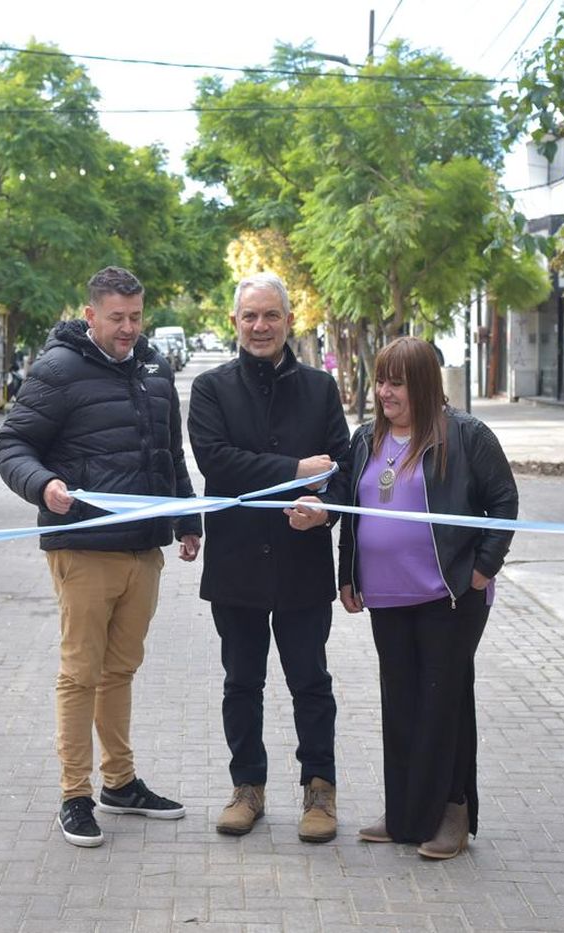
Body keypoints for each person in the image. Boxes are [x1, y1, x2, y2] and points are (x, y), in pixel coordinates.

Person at [0, 266, 202, 848]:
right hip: (82, 546)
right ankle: (75, 795)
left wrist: (188, 520)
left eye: (136, 317)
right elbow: (10, 445)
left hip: (144, 549)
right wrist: (43, 486)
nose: (129, 328)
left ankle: (121, 783)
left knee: (120, 669)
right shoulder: (58, 370)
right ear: (91, 316)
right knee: (80, 674)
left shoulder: (155, 370)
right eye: (117, 318)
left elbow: (169, 453)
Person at [337, 335, 519, 859]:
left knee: (444, 703)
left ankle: (453, 812)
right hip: (388, 598)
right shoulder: (366, 437)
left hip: (449, 598)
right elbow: (353, 508)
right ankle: (406, 815)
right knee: (402, 706)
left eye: (396, 382)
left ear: (422, 384)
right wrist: (347, 573)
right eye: (380, 380)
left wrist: (482, 570)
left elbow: (503, 502)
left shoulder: (465, 435)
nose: (385, 392)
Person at [187, 272, 352, 842]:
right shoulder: (210, 389)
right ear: (234, 322)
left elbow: (341, 469)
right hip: (236, 564)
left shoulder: (320, 389)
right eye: (250, 316)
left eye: (271, 316)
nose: (261, 326)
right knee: (242, 683)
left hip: (303, 559)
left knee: (311, 682)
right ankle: (247, 787)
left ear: (288, 321)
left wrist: (324, 509)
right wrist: (294, 472)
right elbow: (217, 461)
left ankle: (320, 790)